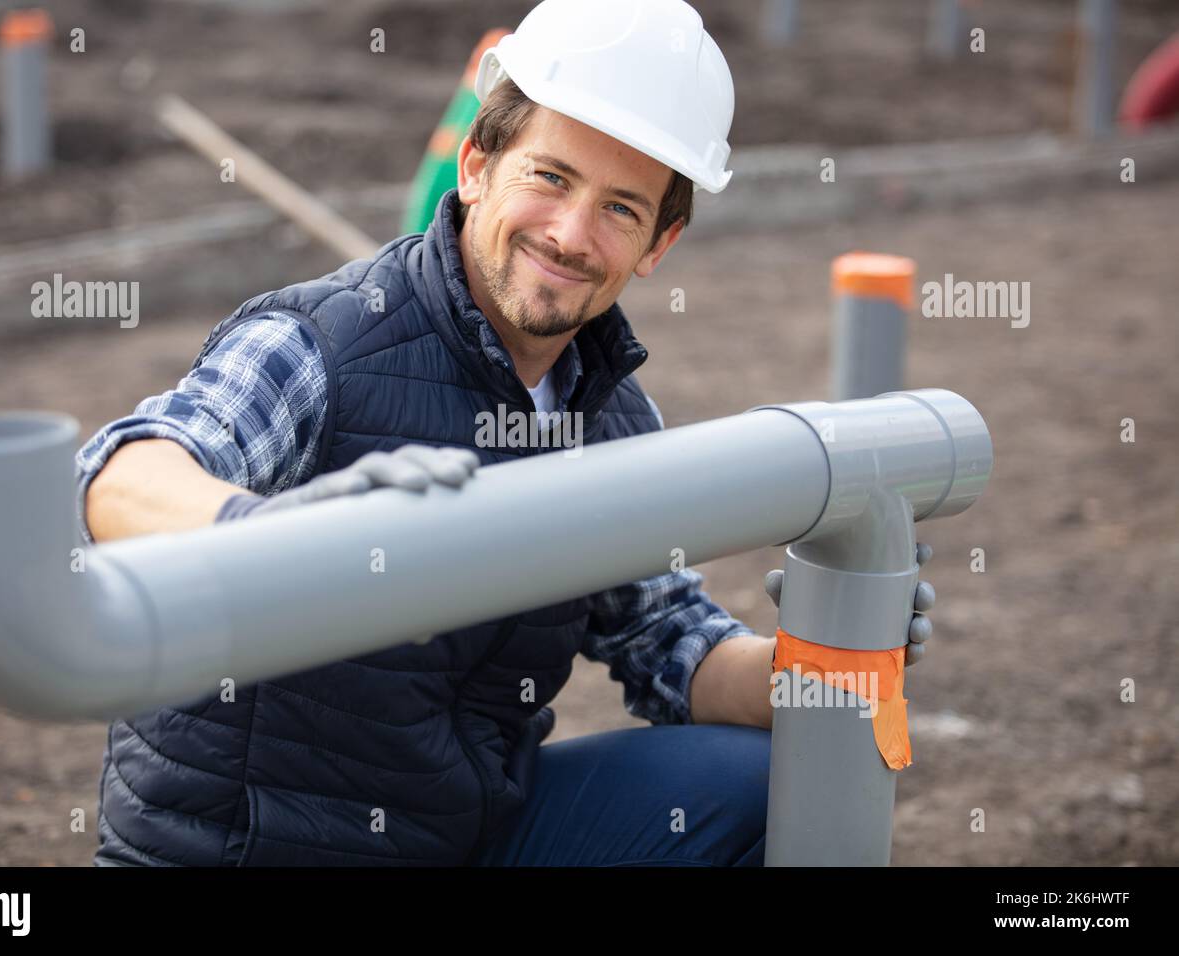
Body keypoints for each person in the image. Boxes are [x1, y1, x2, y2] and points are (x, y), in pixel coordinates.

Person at [77, 0, 934, 867]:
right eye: (551, 178)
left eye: (621, 209)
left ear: (658, 244)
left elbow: (671, 646)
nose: (570, 236)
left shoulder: (608, 422)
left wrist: (834, 659)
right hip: (244, 849)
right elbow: (124, 473)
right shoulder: (322, 344)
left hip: (460, 837)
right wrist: (265, 539)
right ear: (477, 164)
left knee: (768, 786)